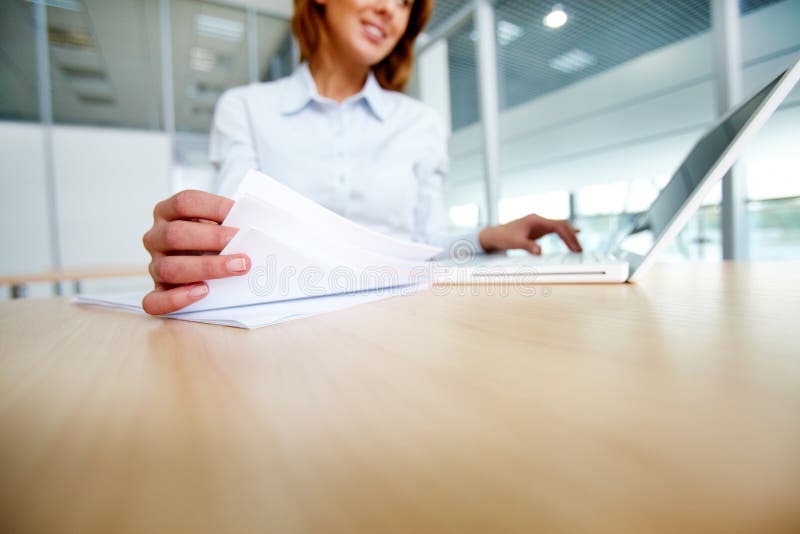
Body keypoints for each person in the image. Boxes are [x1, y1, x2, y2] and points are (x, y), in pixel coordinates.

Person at [141, 0, 582, 316]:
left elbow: (424, 246)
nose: (392, 9)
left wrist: (487, 237)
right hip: (288, 324)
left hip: (402, 321)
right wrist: (192, 251)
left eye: (406, 4)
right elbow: (228, 239)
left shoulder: (421, 124)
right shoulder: (245, 109)